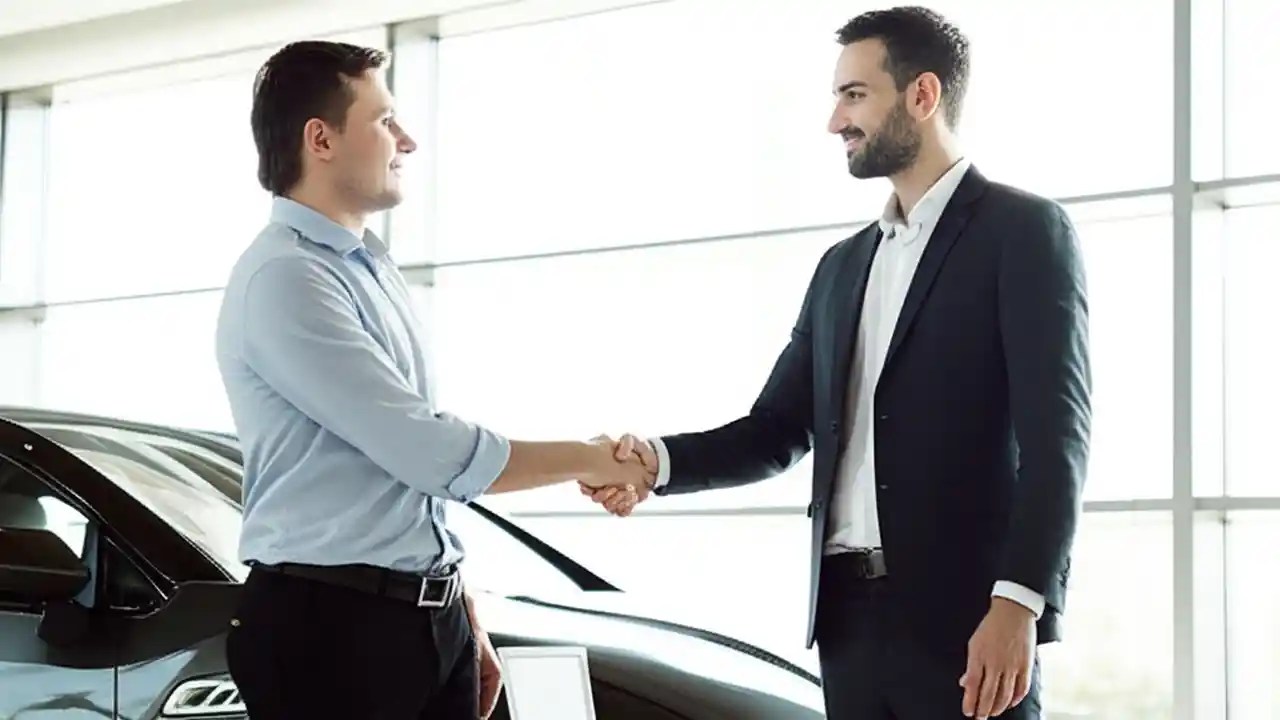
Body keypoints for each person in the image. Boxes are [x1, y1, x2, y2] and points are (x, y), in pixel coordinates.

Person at [585, 7, 1091, 720]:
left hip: (967, 626)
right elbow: (776, 430)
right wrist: (654, 463)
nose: (834, 121)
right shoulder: (841, 267)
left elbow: (1057, 440)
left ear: (922, 95)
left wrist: (1020, 602)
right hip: (848, 626)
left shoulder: (1023, 231)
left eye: (854, 95)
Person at [215, 41, 652, 720]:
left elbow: (392, 484)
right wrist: (594, 459)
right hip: (332, 633)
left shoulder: (367, 268)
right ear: (321, 139)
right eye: (385, 120)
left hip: (418, 619)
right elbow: (430, 453)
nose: (408, 141)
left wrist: (449, 597)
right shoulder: (286, 278)